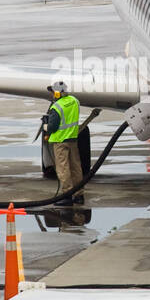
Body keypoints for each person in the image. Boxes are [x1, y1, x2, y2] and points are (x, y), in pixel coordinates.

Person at [44, 81, 85, 222]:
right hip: (73, 138)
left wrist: (46, 127)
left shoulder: (57, 106)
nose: (52, 94)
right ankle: (79, 195)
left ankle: (66, 196)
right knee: (76, 167)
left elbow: (53, 127)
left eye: (53, 92)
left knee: (63, 168)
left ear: (57, 93)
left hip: (61, 141)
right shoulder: (74, 101)